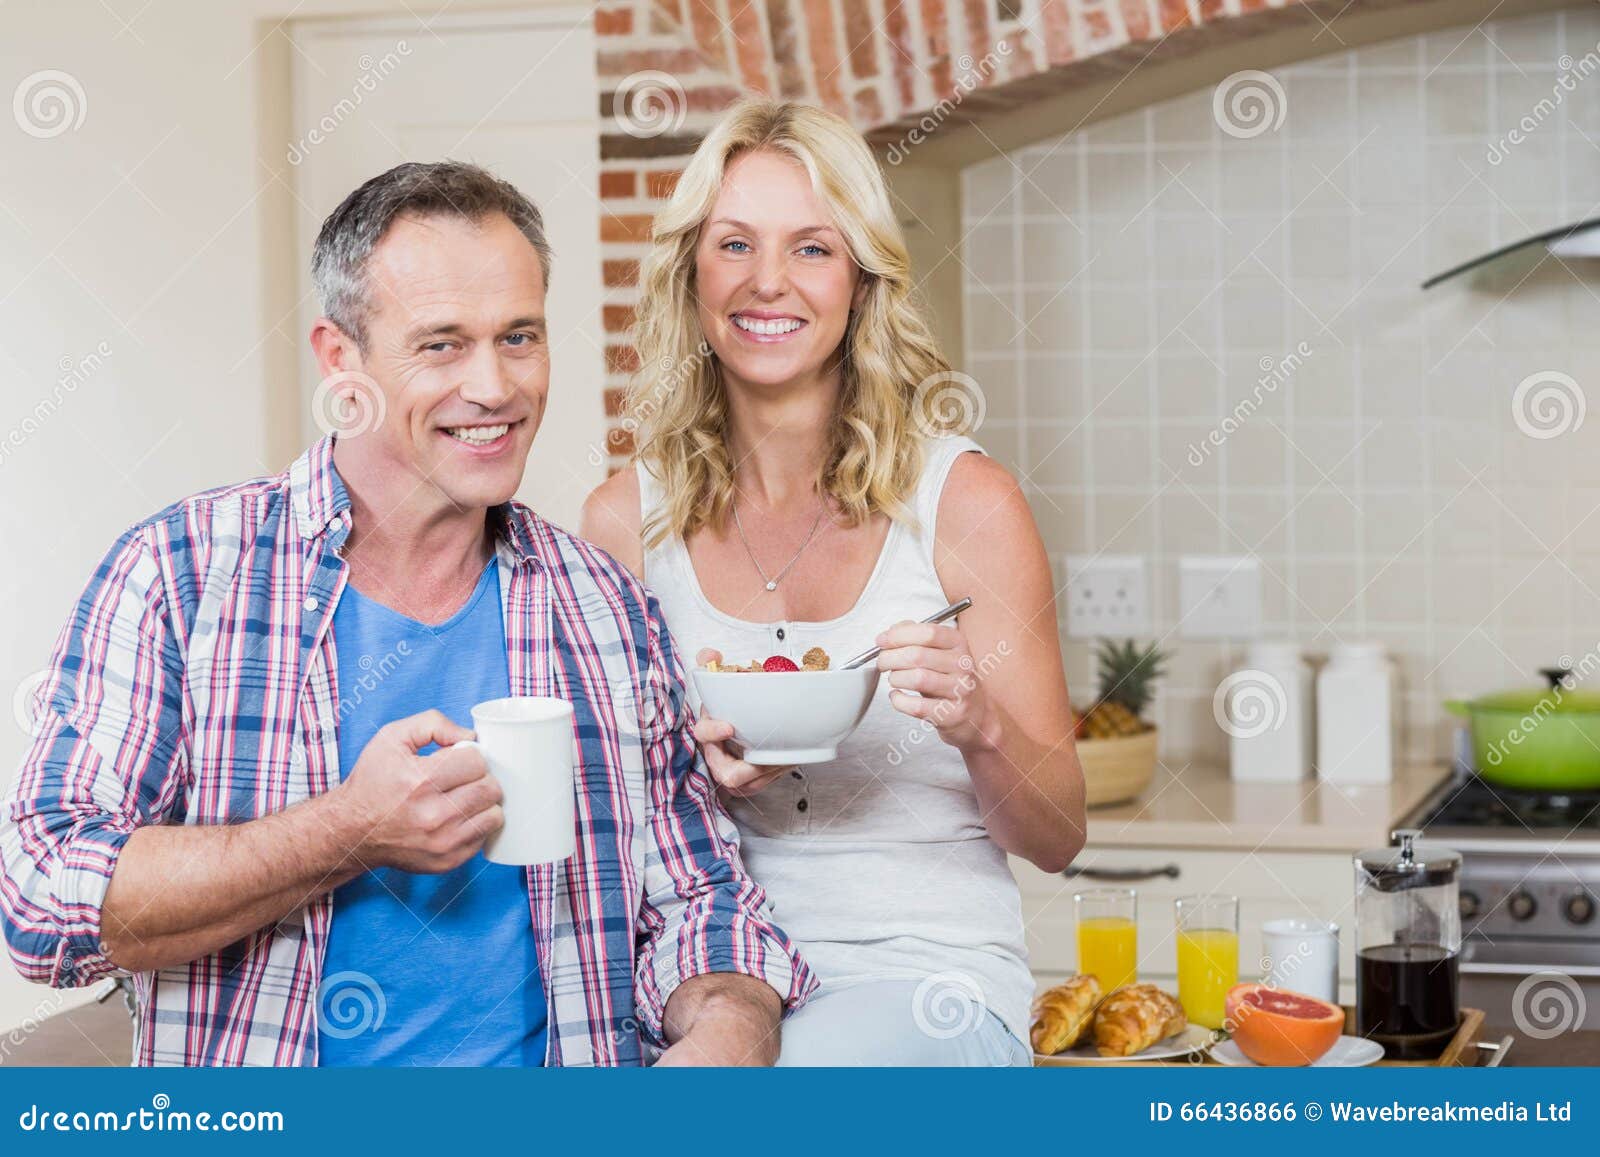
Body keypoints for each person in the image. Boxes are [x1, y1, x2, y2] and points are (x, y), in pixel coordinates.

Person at [0, 161, 812, 1067]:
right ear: (341, 361)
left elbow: (702, 895)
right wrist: (348, 829)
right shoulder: (182, 575)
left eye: (519, 337)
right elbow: (46, 903)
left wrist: (732, 1031)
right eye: (441, 344)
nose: (495, 386)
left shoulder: (603, 604)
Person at [581, 99, 1086, 1066]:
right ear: (692, 275)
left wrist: (979, 723)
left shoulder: (964, 502)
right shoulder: (622, 521)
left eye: (812, 248)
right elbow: (605, 827)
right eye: (734, 243)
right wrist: (687, 780)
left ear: (860, 281)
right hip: (707, 972)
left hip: (924, 974)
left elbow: (1059, 834)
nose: (767, 282)